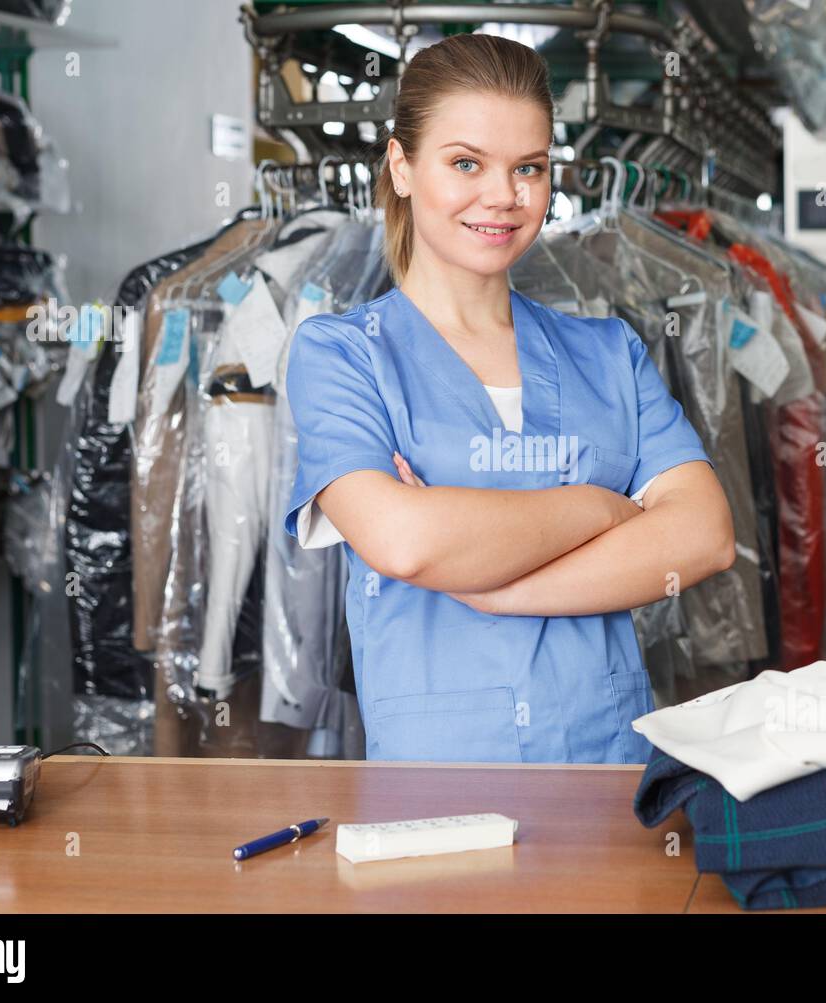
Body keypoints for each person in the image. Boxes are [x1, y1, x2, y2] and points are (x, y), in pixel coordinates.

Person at [283, 32, 735, 763]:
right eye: (467, 163)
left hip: (609, 773)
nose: (504, 196)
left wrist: (492, 585)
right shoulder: (341, 355)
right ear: (401, 167)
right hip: (437, 783)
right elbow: (404, 540)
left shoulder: (608, 351)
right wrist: (601, 509)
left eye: (529, 168)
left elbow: (705, 537)